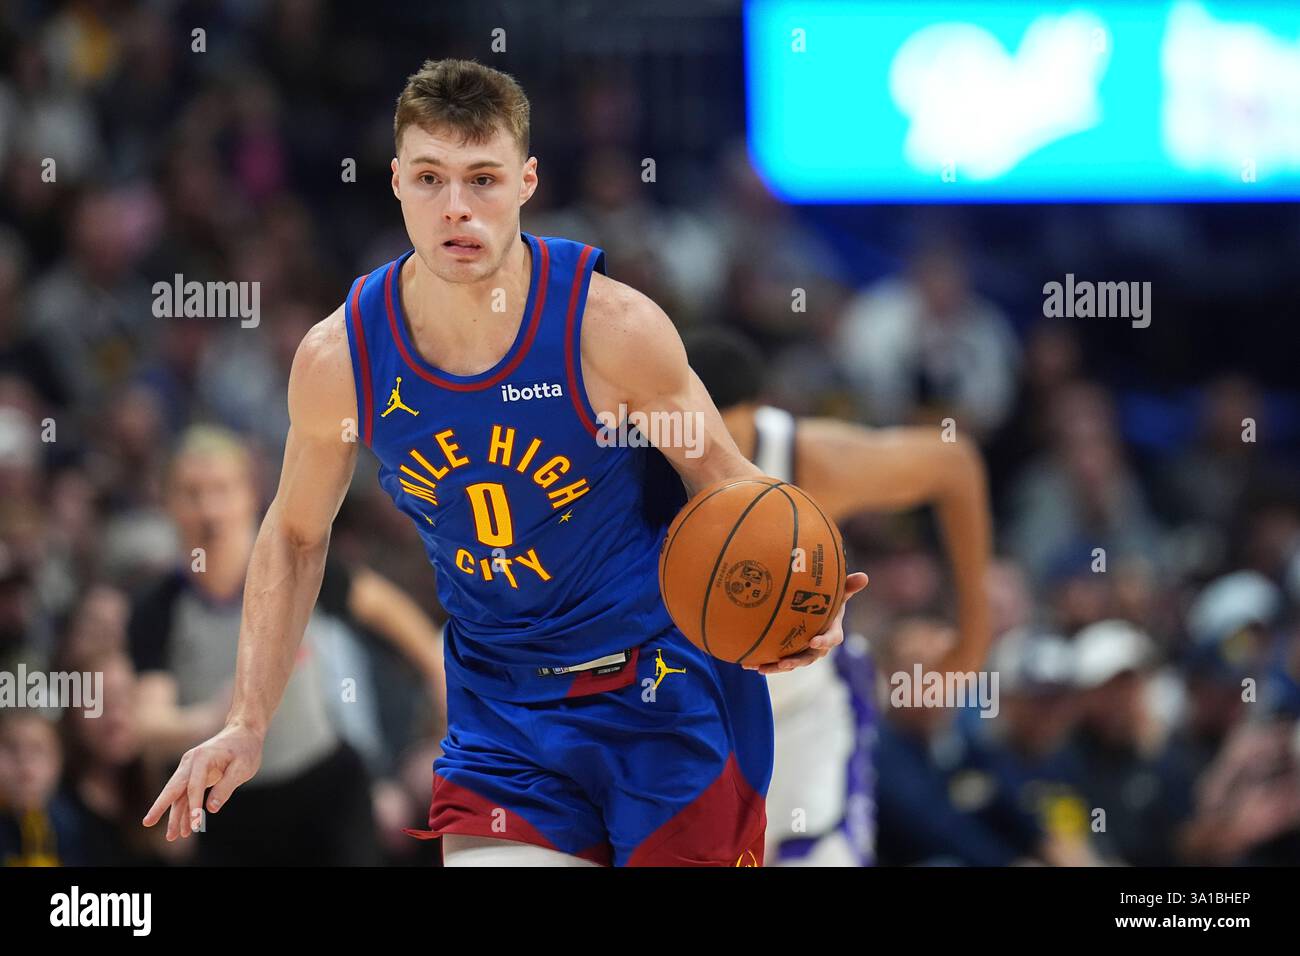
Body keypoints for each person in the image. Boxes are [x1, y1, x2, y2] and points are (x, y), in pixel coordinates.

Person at [143, 58, 866, 867]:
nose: (456, 208)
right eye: (430, 177)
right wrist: (248, 720)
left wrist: (805, 583)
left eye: (482, 179)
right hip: (503, 711)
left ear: (525, 182)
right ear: (395, 182)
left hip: (662, 693)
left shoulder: (610, 328)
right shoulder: (339, 358)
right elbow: (295, 535)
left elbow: (729, 486)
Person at [683, 326, 992, 864]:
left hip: (803, 714)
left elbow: (955, 465)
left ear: (756, 411)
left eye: (728, 435)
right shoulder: (637, 457)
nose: (715, 454)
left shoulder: (807, 458)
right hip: (687, 716)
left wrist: (973, 639)